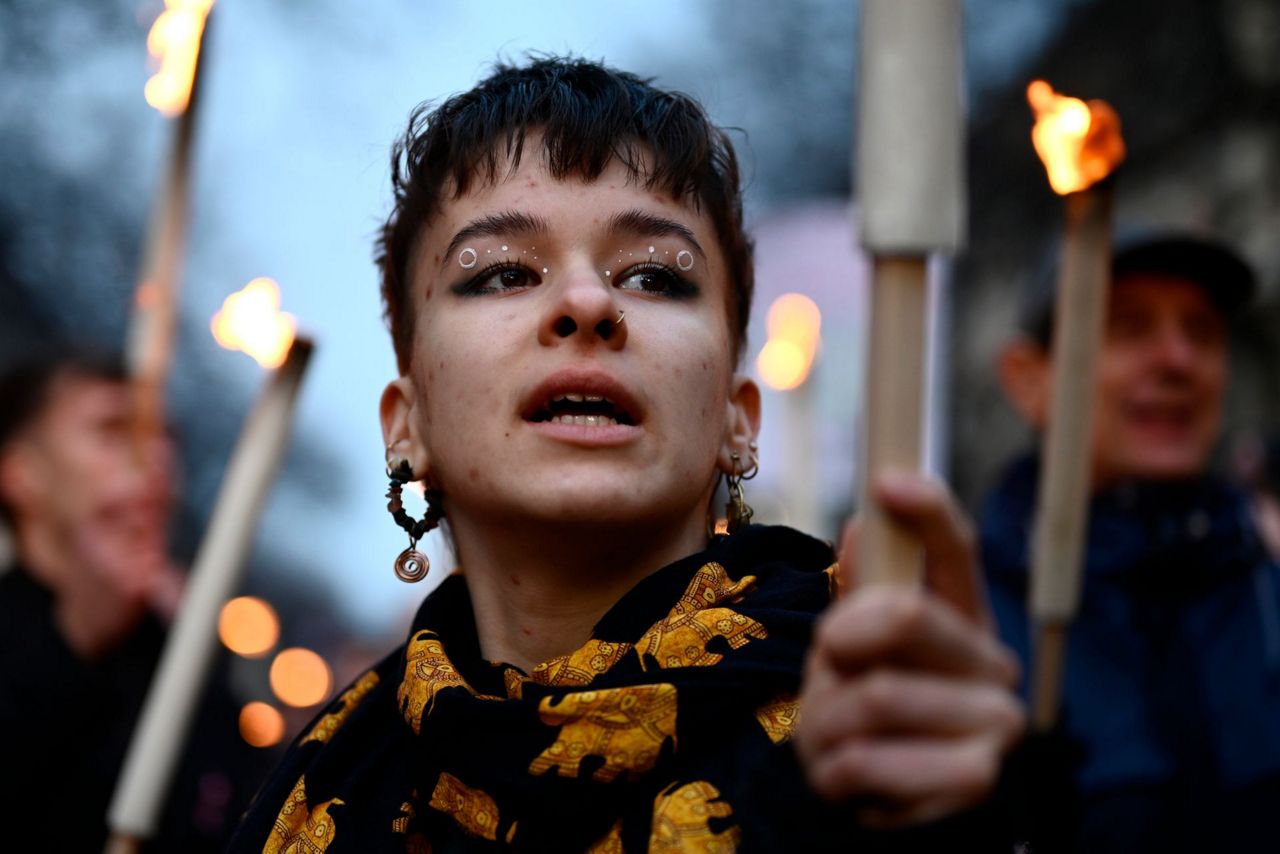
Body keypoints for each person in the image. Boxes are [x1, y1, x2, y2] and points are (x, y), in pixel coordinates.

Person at [231, 57, 1025, 852]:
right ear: (408, 427)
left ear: (736, 421)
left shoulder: (882, 723)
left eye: (653, 275)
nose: (587, 303)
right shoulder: (320, 794)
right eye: (505, 273)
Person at [983, 232, 1280, 852]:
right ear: (1027, 379)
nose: (1177, 360)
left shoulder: (1263, 583)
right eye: (1127, 327)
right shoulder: (968, 616)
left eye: (1202, 331)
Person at [0, 353, 268, 851]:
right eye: (113, 430)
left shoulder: (175, 645)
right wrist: (74, 640)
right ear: (21, 473)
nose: (155, 457)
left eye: (166, 436)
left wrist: (196, 655)